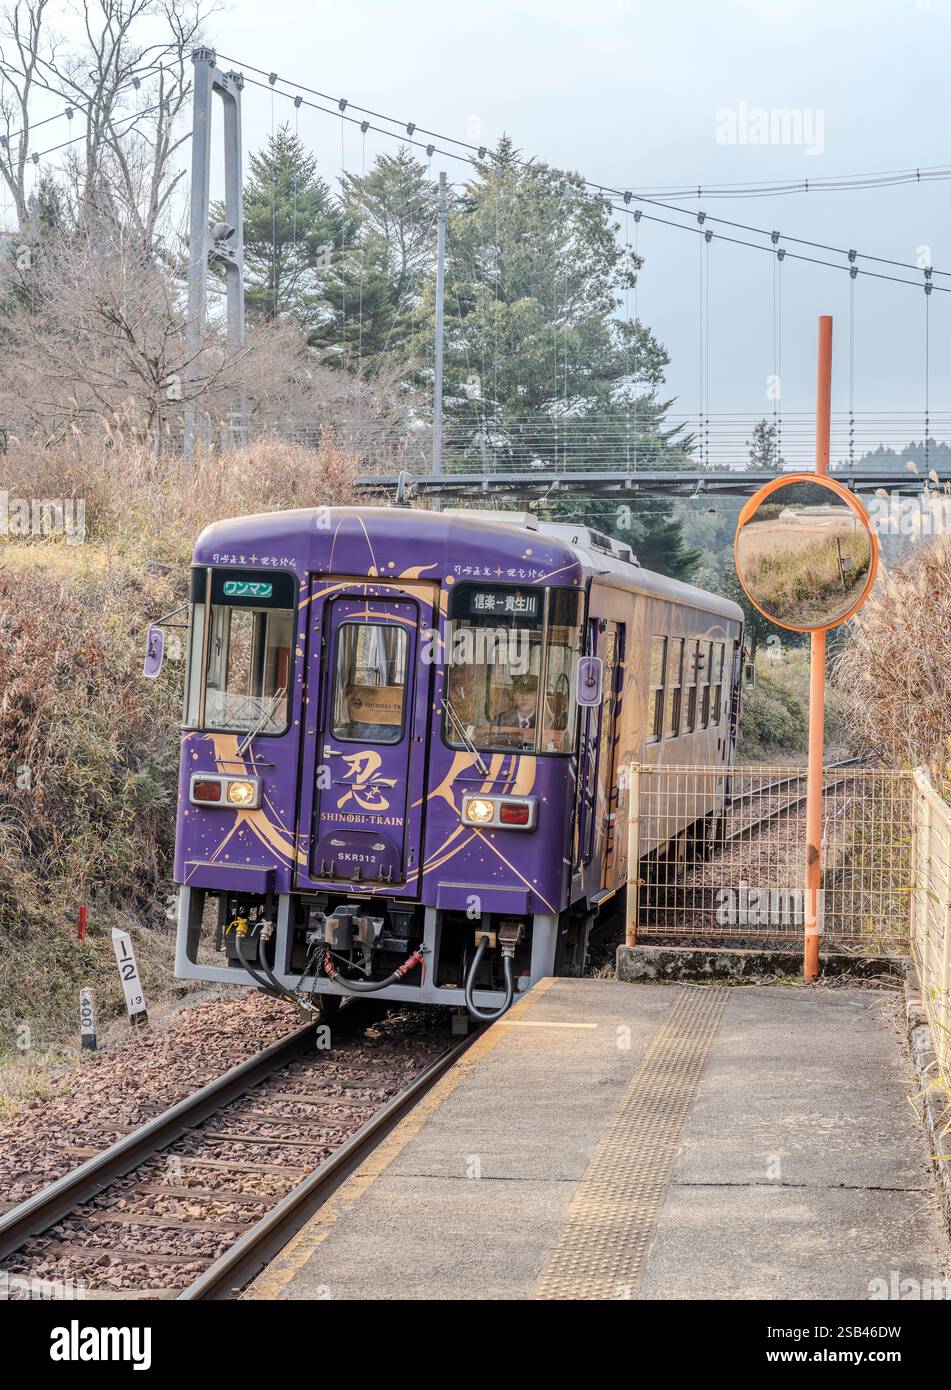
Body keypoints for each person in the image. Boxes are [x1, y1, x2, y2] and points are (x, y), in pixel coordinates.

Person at [493, 673, 539, 745]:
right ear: (514, 696)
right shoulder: (500, 719)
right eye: (520, 693)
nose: (524, 698)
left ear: (537, 697)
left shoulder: (543, 722)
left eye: (529, 693)